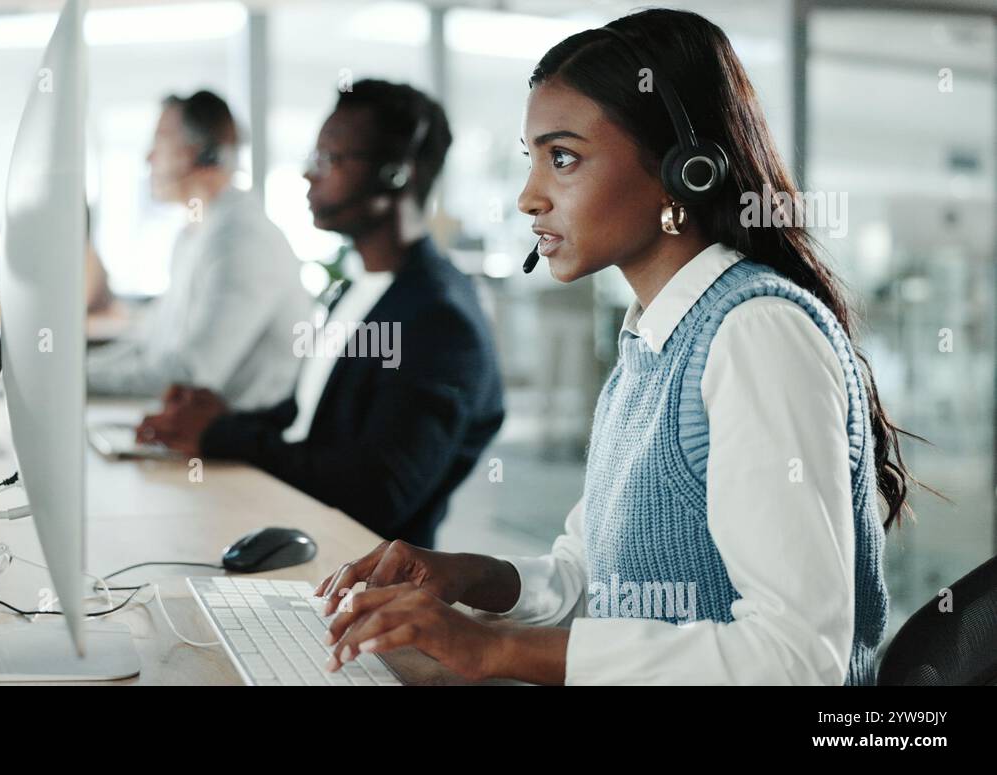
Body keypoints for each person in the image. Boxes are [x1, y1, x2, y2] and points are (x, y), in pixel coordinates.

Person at [315, 9, 920, 686]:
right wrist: (470, 577)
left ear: (680, 172)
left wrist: (499, 651)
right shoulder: (652, 337)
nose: (528, 197)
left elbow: (797, 658)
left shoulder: (755, 334)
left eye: (563, 158)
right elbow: (594, 581)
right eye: (532, 159)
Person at [138, 80, 505, 549]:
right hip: (298, 532)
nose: (309, 175)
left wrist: (223, 435)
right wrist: (215, 418)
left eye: (328, 159)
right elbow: (307, 423)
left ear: (396, 174)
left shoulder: (438, 320)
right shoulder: (353, 288)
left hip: (362, 576)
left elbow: (376, 494)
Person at [86, 90, 307, 410]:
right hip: (195, 440)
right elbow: (150, 349)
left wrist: (69, 381)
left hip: (237, 451)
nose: (148, 158)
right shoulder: (193, 237)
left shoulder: (242, 241)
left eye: (160, 140)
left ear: (203, 155)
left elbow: (191, 376)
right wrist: (70, 373)